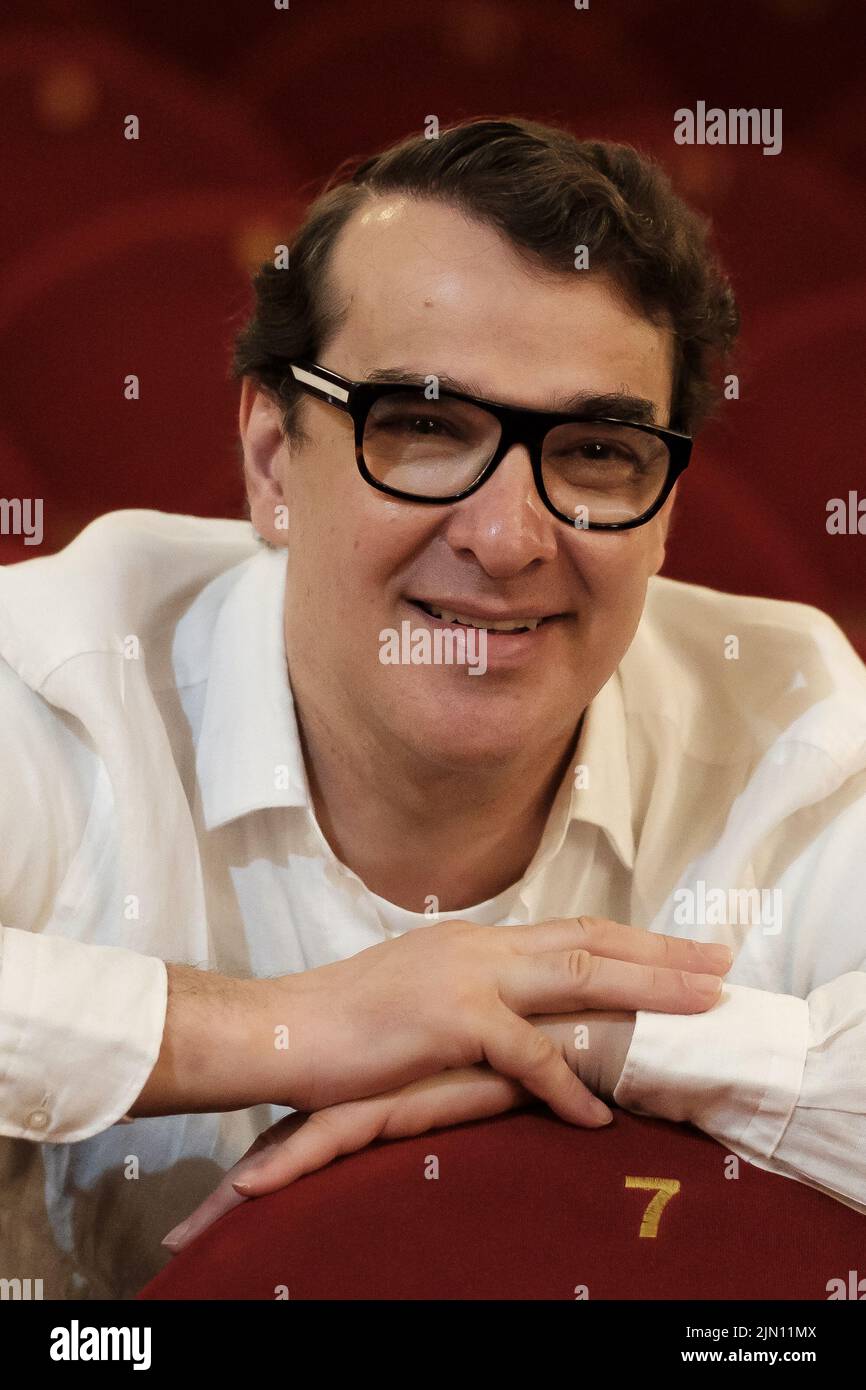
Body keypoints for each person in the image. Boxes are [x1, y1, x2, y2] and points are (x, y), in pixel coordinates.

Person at [1, 117, 864, 1301]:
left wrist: (588, 1038)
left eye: (595, 451)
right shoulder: (50, 671)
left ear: (664, 509)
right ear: (269, 461)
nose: (506, 537)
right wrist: (286, 1027)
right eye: (419, 427)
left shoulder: (792, 722)